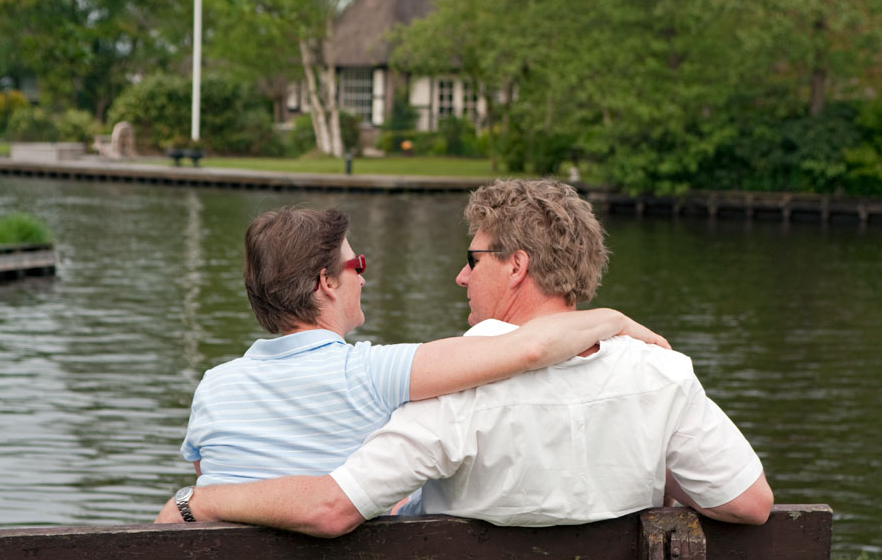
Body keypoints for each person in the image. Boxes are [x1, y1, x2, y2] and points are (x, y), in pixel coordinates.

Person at [158, 182, 772, 533]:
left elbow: (336, 504)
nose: (459, 276)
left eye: (472, 259)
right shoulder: (663, 373)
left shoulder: (456, 386)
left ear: (516, 265)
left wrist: (202, 502)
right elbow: (748, 504)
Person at [174, 206, 666, 491]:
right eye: (357, 264)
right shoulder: (375, 374)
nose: (363, 278)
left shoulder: (213, 388)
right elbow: (530, 349)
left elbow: (210, 473)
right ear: (325, 282)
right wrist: (613, 319)